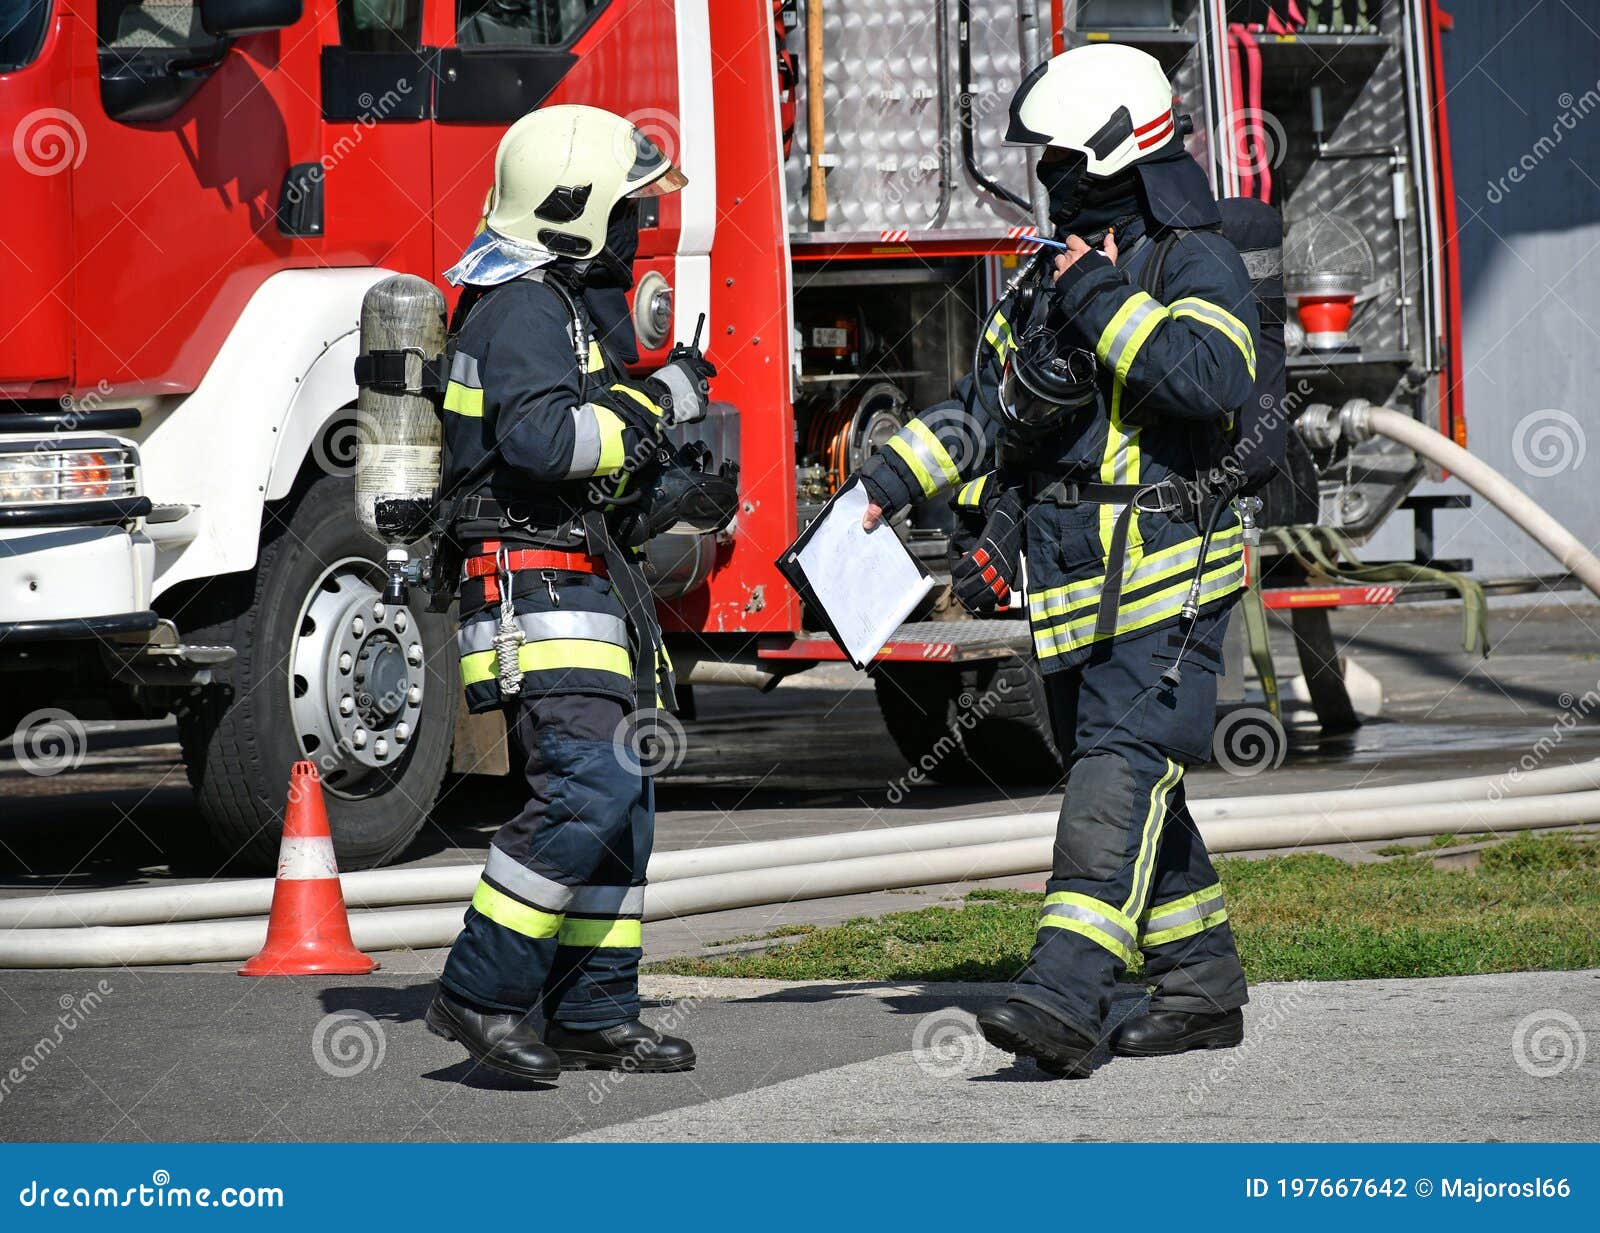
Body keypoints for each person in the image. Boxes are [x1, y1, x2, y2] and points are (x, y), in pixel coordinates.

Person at [854, 45, 1258, 1077]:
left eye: (1062, 159)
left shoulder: (1186, 258)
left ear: (1117, 154)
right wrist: (899, 486)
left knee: (1115, 777)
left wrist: (1100, 299)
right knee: (1132, 790)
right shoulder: (1047, 277)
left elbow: (1211, 377)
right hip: (1073, 588)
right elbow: (994, 416)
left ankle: (1062, 994)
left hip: (1169, 574)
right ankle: (1202, 985)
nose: (1048, 179)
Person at [424, 105, 714, 1082]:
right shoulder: (517, 311)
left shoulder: (556, 307)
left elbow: (580, 460)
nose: (637, 231)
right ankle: (481, 989)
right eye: (624, 211)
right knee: (589, 782)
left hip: (581, 573)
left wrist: (662, 475)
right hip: (528, 581)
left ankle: (592, 1012)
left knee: (622, 801)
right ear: (571, 214)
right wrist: (658, 399)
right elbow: (544, 443)